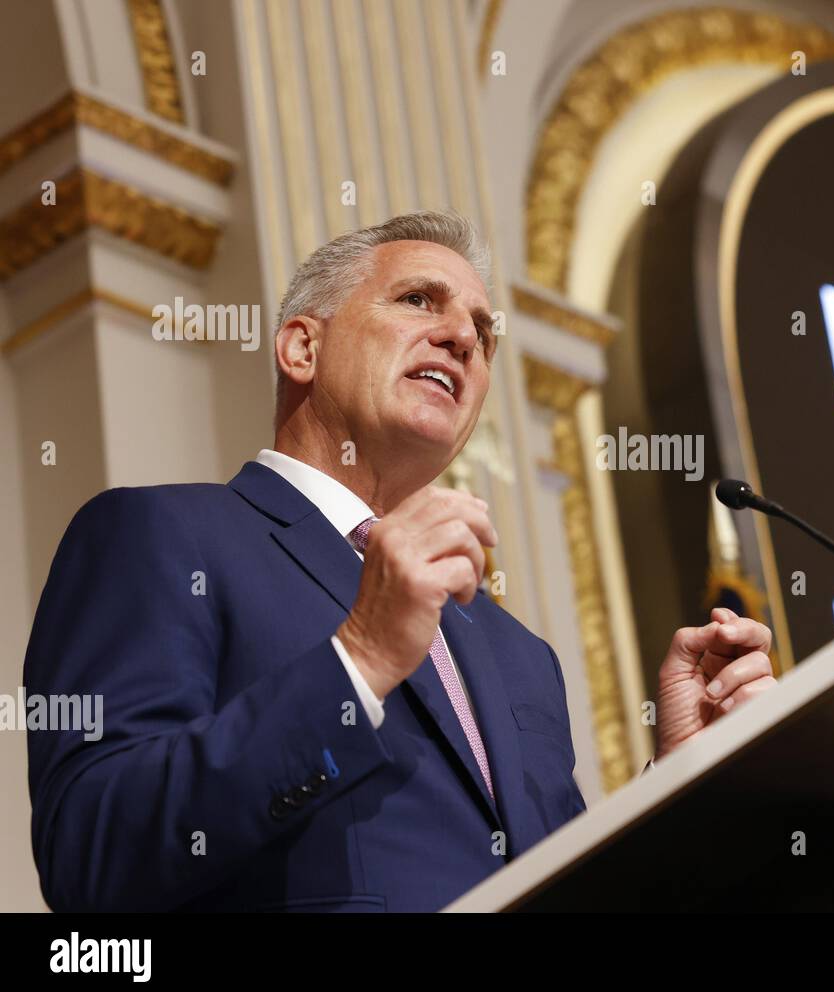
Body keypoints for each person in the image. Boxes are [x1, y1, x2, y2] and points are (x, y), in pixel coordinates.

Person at [24, 210, 776, 912]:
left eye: (483, 334)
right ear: (301, 348)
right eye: (420, 300)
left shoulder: (517, 654)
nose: (461, 338)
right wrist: (361, 657)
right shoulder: (162, 535)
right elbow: (92, 851)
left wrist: (678, 786)